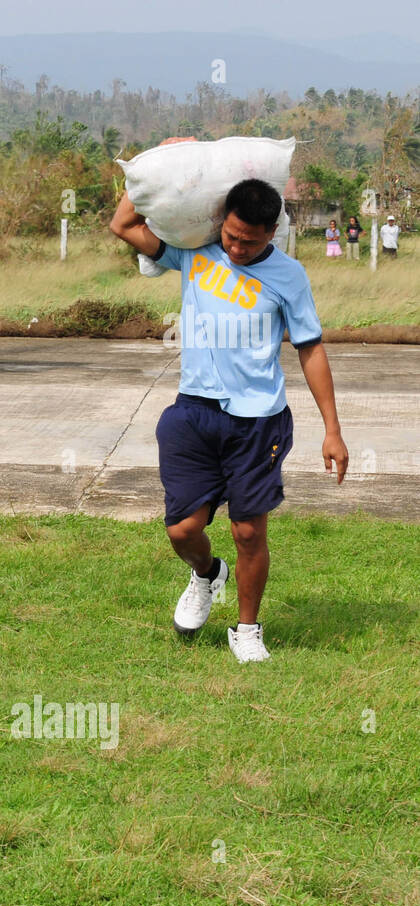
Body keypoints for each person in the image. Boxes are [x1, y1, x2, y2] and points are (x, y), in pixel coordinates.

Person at [111, 178, 348, 663]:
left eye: (250, 241)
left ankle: (246, 629)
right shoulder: (194, 253)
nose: (237, 248)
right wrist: (151, 168)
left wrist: (333, 430)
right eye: (232, 236)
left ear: (273, 232)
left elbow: (310, 348)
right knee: (181, 529)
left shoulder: (289, 275)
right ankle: (205, 573)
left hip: (258, 422)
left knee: (248, 531)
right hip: (193, 413)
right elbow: (123, 224)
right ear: (222, 222)